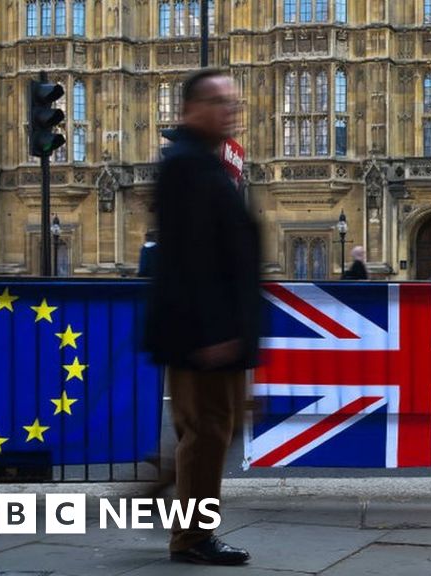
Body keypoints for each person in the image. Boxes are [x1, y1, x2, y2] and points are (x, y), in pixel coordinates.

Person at [144, 69, 260, 566]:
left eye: (233, 102)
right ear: (191, 109)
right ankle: (191, 535)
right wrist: (214, 331)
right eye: (218, 101)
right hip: (203, 331)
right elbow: (189, 258)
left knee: (220, 428)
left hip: (220, 326)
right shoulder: (185, 166)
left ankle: (164, 489)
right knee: (208, 431)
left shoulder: (206, 162)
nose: (229, 110)